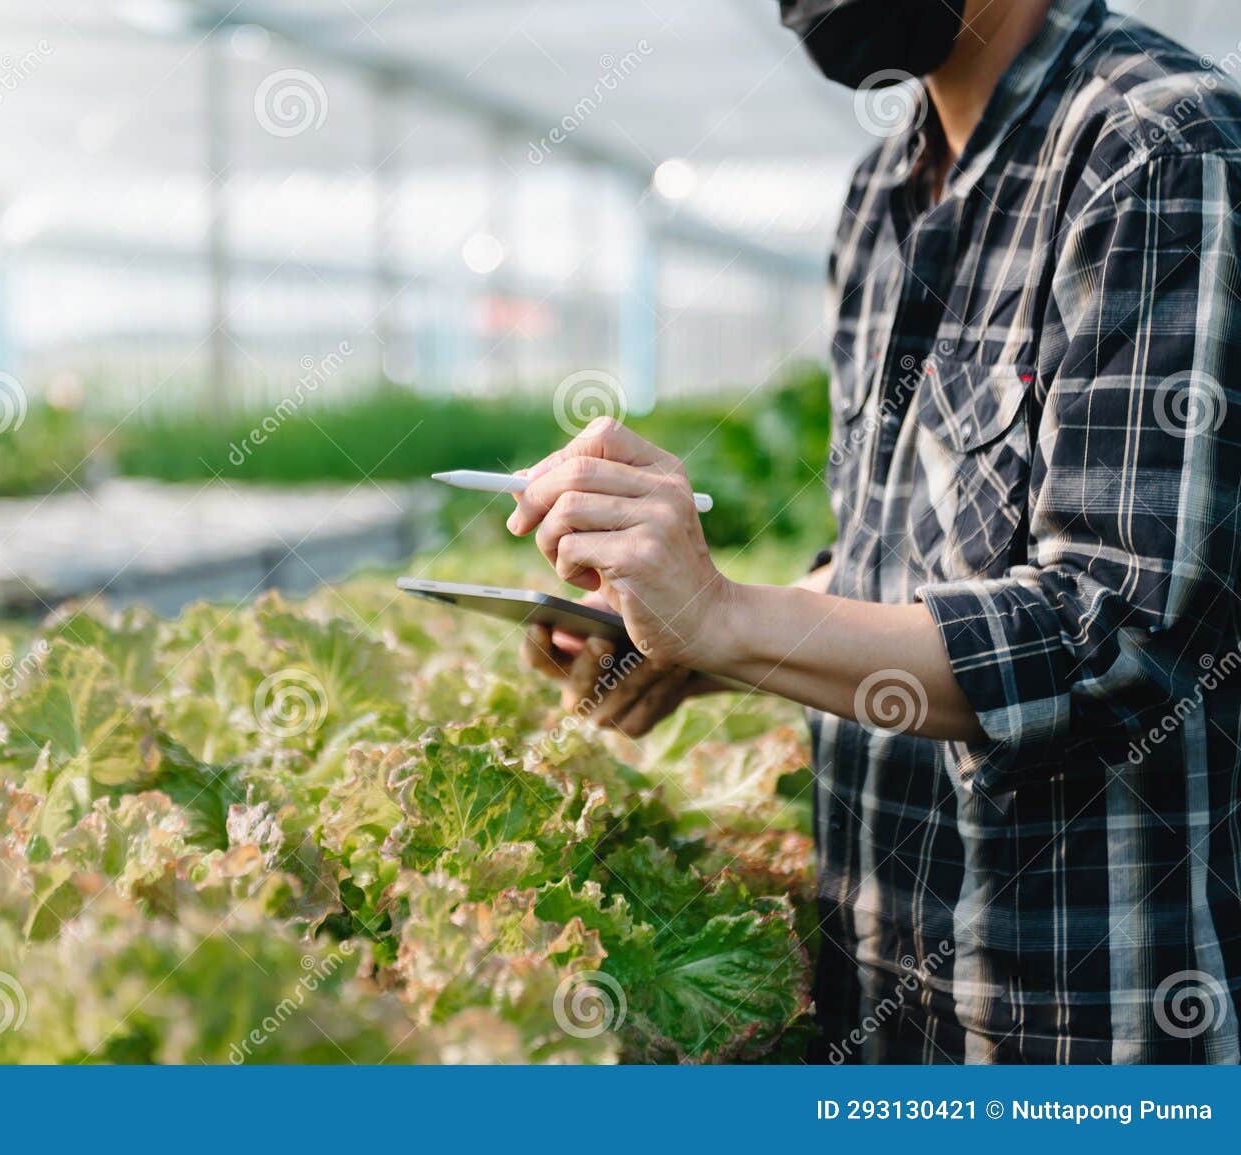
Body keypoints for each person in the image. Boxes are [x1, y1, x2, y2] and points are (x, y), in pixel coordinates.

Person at [518, 0, 1241, 1063]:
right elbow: (897, 567)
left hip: (1075, 1030)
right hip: (881, 998)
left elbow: (1117, 635)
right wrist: (691, 641)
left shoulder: (1159, 148)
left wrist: (730, 618)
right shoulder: (881, 194)